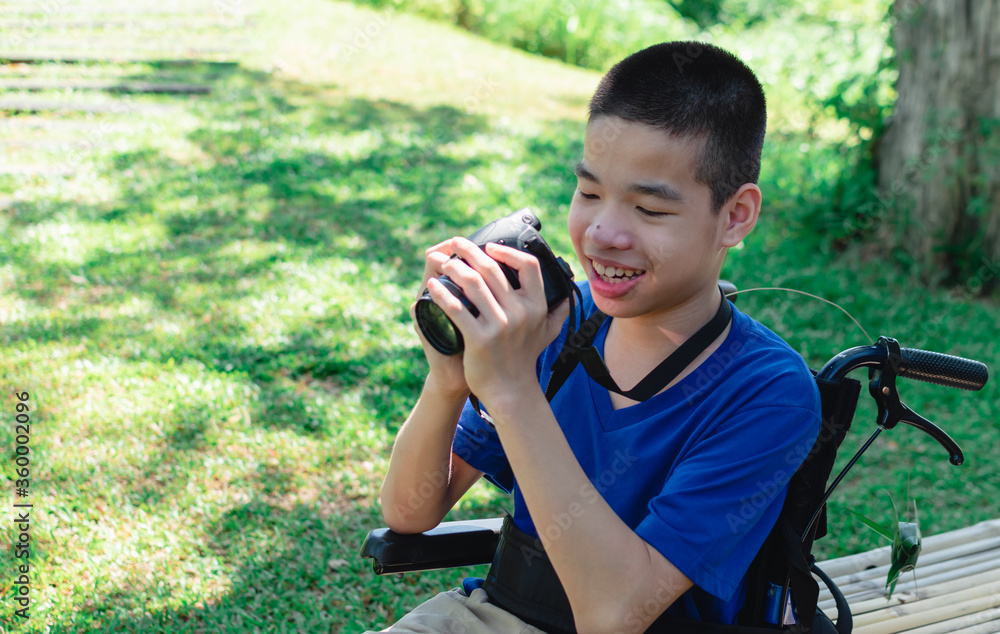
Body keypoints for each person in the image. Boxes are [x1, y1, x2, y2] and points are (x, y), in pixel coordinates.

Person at [370, 41, 822, 634]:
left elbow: (615, 615)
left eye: (650, 209)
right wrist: (449, 379)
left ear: (734, 216)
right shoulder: (554, 321)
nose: (603, 232)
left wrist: (512, 391)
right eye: (588, 193)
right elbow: (409, 510)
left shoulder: (768, 393)